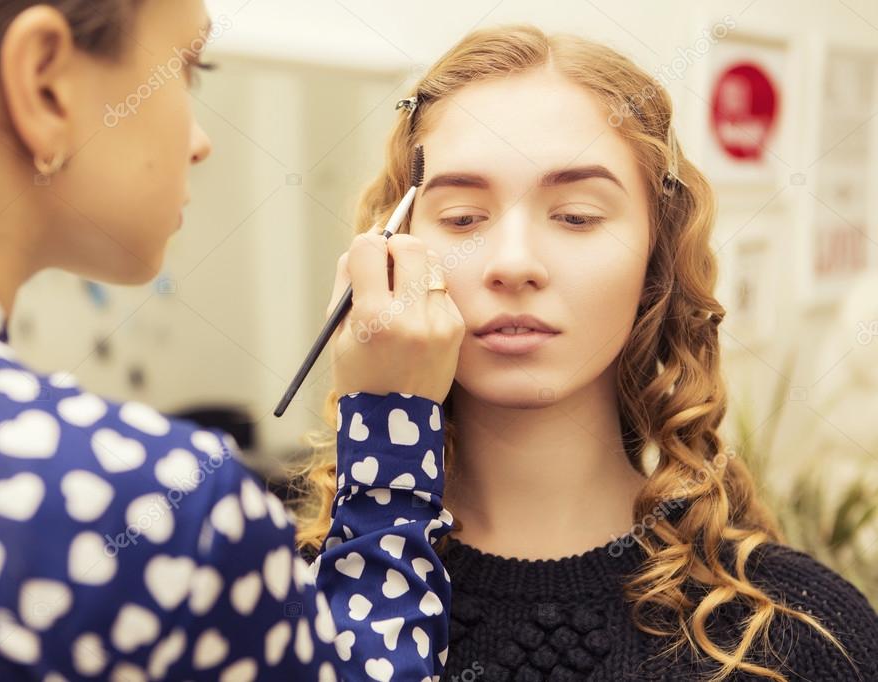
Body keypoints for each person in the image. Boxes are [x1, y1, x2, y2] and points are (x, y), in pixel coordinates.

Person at [0, 1, 465, 679]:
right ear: (44, 83)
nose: (201, 142)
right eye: (187, 68)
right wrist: (390, 442)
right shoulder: (158, 505)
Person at [294, 24, 878, 681]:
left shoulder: (803, 633)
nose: (514, 263)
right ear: (392, 252)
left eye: (575, 215)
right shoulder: (280, 602)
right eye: (462, 218)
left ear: (656, 258)